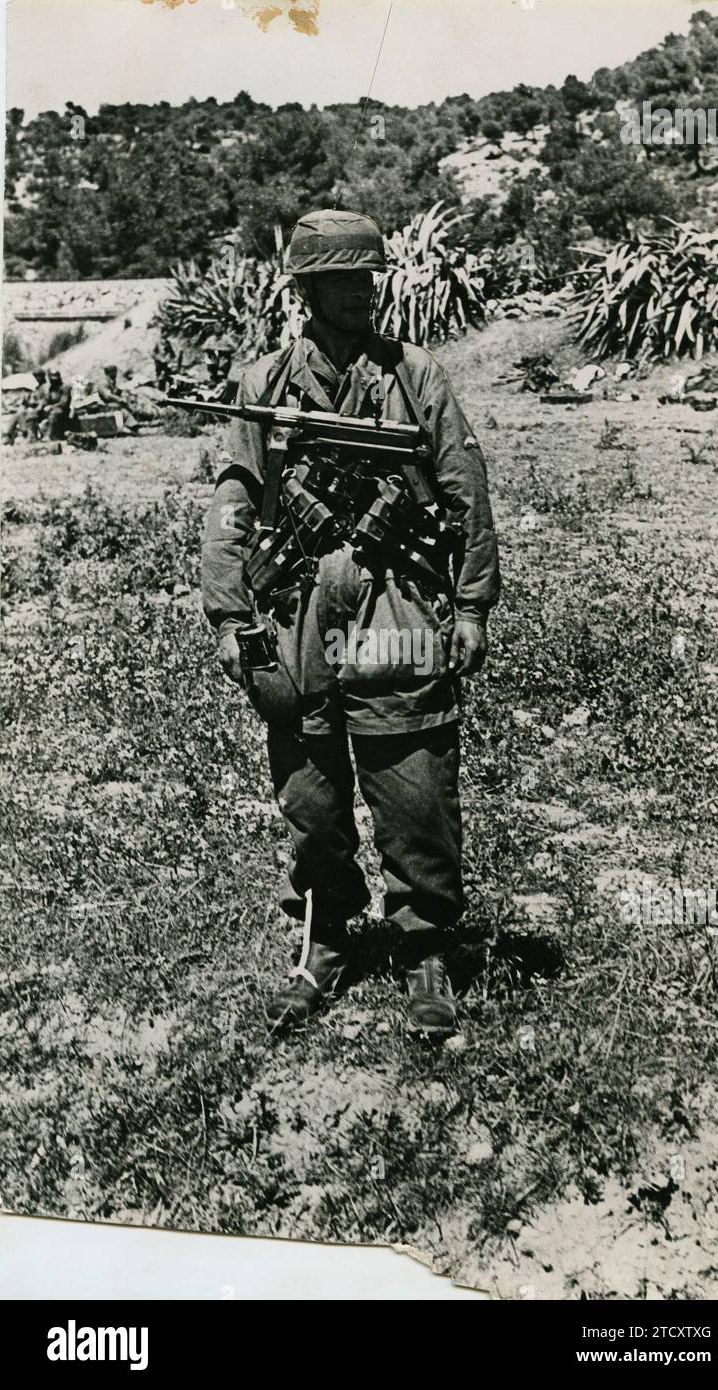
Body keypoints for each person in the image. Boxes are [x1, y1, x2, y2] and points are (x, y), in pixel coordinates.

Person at [201, 210, 500, 1038]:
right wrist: (230, 613)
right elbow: (233, 498)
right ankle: (324, 939)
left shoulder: (413, 376)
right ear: (304, 291)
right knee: (311, 795)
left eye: (369, 279)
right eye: (342, 282)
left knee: (414, 785)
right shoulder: (263, 385)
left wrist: (471, 603)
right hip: (298, 612)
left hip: (396, 604)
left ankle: (426, 947)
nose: (362, 295)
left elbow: (464, 485)